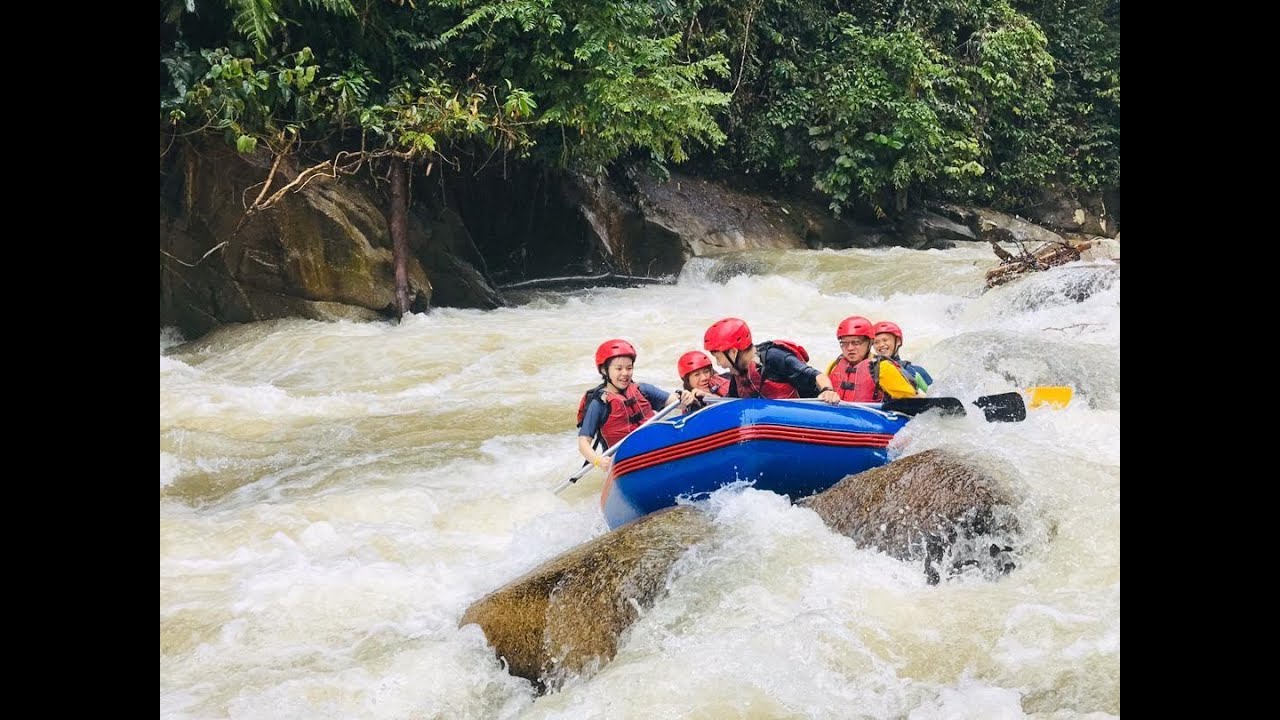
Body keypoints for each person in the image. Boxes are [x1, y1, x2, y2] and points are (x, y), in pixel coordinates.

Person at [576, 339, 692, 470]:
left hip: (656, 451)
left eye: (629, 368)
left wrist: (685, 397)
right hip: (626, 463)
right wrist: (598, 460)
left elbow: (677, 403)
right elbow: (583, 443)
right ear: (604, 370)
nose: (625, 373)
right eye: (618, 368)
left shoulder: (643, 390)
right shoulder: (599, 403)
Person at [701, 317, 841, 404]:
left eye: (718, 358)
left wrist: (828, 390)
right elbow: (730, 401)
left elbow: (817, 376)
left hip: (804, 420)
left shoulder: (774, 358)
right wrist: (703, 398)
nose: (719, 364)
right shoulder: (740, 372)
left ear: (733, 351)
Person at [871, 321, 933, 394]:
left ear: (898, 341)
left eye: (885, 340)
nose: (881, 345)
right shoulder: (870, 371)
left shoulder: (917, 371)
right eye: (876, 342)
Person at [824, 315, 875, 402]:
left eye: (856, 342)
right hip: (837, 414)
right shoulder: (834, 365)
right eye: (844, 343)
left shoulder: (883, 367)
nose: (850, 348)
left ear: (870, 342)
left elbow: (905, 402)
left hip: (866, 414)